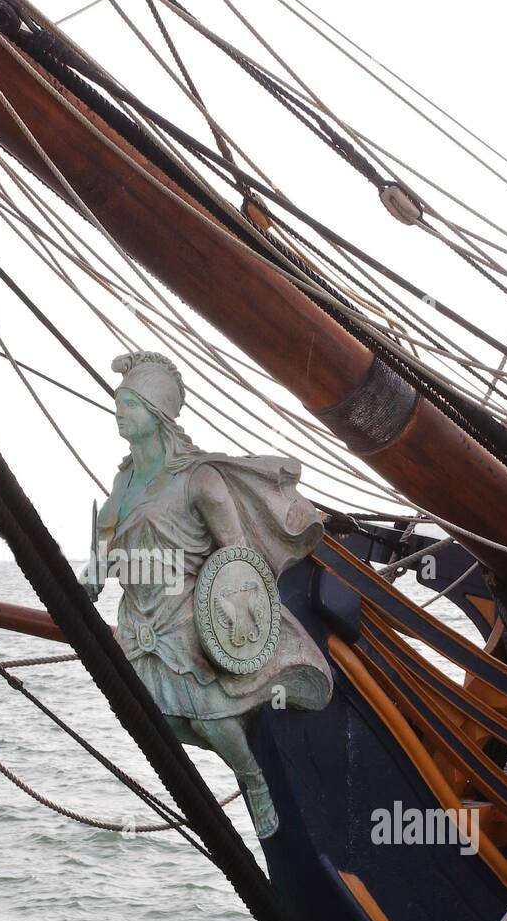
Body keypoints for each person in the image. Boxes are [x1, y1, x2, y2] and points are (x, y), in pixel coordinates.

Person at [80, 350, 332, 842]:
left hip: (184, 615)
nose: (119, 411)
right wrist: (90, 579)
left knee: (210, 719)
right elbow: (108, 544)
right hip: (137, 617)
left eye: (129, 403)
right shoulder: (123, 479)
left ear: (156, 412)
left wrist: (236, 618)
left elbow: (237, 556)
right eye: (118, 403)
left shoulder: (201, 480)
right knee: (157, 717)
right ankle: (234, 772)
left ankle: (254, 781)